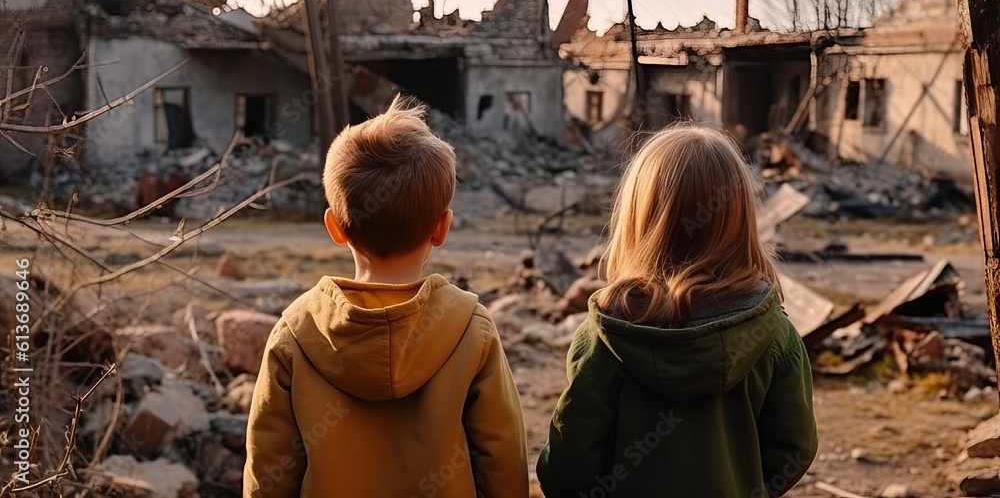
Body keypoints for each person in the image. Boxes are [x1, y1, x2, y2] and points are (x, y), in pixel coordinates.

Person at [244, 96, 528, 497]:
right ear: (441, 228)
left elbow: (267, 469)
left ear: (334, 227)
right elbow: (504, 460)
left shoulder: (296, 331)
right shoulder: (470, 328)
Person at [536, 124, 817, 498]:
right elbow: (794, 449)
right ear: (741, 219)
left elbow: (568, 469)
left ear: (637, 218)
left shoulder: (605, 336)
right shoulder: (773, 334)